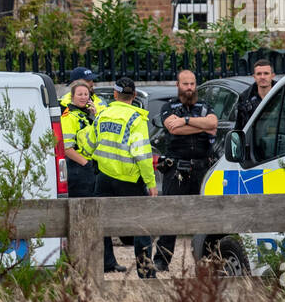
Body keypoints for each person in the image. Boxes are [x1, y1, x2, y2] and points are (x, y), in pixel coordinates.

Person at [89, 77, 160, 278]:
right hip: (130, 181)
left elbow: (89, 143)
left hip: (104, 178)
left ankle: (93, 272)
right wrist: (151, 183)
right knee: (141, 227)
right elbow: (143, 155)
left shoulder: (103, 116)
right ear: (134, 96)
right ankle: (146, 273)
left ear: (114, 94)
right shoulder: (136, 119)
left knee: (97, 225)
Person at [156, 69, 218, 271]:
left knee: (206, 215)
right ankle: (162, 260)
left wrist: (186, 121)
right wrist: (200, 125)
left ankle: (208, 259)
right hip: (177, 168)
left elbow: (213, 125)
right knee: (171, 215)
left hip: (202, 166)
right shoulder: (168, 107)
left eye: (192, 84)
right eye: (185, 84)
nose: (190, 88)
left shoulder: (204, 105)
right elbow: (173, 129)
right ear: (178, 85)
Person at [61, 79, 125, 273]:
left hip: (94, 168)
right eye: (79, 94)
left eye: (86, 94)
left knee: (98, 216)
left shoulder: (90, 114)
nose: (83, 97)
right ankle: (80, 262)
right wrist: (86, 164)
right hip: (79, 170)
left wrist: (96, 115)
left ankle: (108, 262)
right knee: (82, 218)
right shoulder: (69, 116)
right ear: (72, 97)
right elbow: (67, 148)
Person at [234, 58, 276, 133]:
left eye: (266, 73)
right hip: (253, 142)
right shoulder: (245, 98)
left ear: (272, 76)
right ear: (254, 77)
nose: (262, 77)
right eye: (259, 74)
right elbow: (239, 127)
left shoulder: (282, 93)